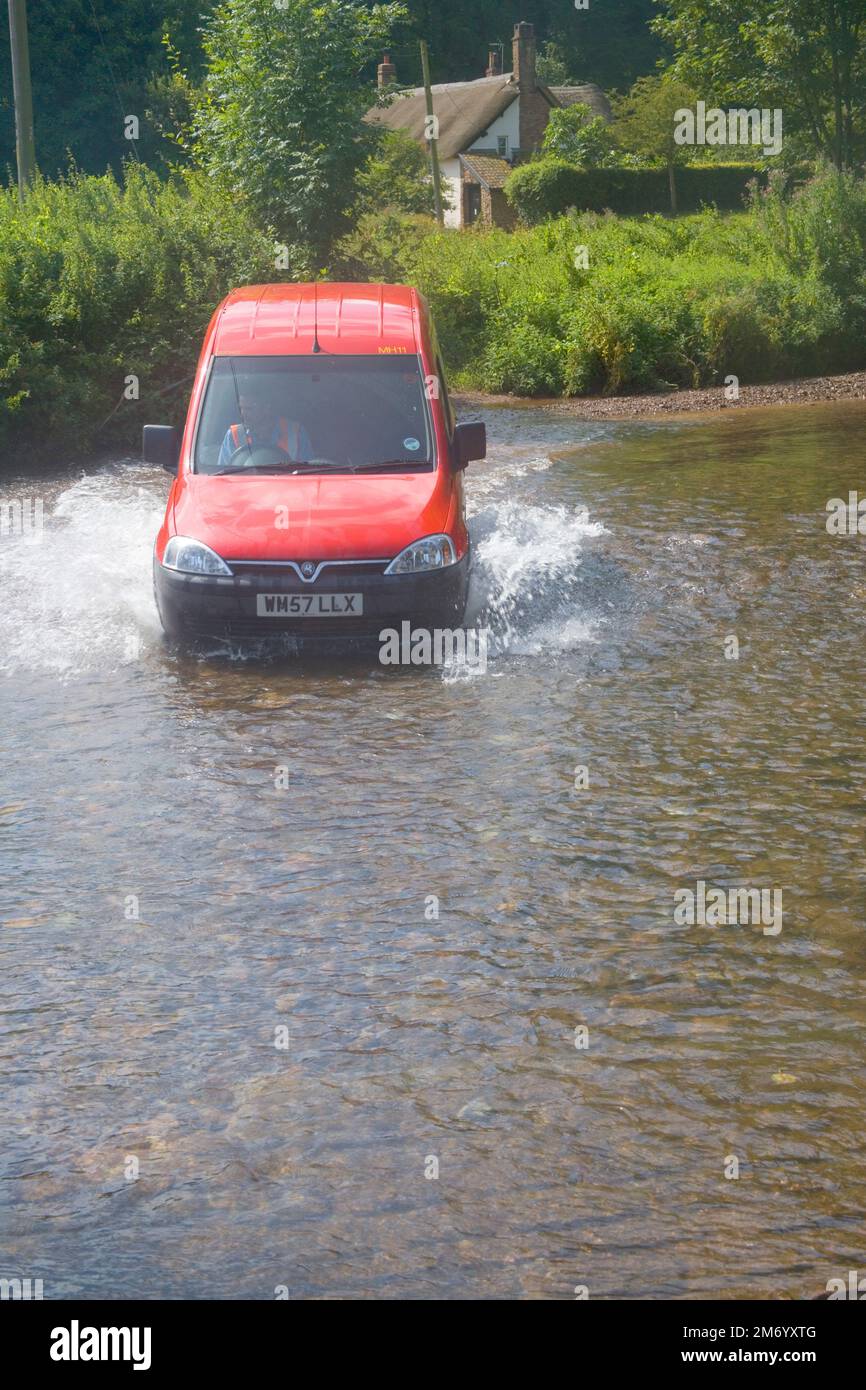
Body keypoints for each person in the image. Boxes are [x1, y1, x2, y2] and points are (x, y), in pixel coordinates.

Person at [218, 389, 312, 469]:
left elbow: (308, 473)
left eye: (249, 409)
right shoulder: (233, 435)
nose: (243, 414)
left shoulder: (295, 433)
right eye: (241, 408)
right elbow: (222, 476)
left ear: (266, 408)